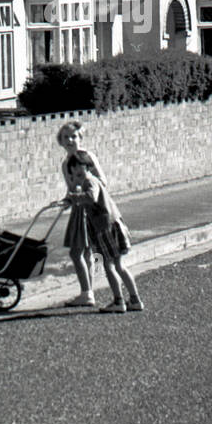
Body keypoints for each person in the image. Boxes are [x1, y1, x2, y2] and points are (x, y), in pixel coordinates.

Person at [57, 121, 143, 313]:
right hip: (87, 212)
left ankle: (109, 297)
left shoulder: (87, 159)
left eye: (74, 136)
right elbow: (71, 187)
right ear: (61, 142)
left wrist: (80, 191)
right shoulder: (66, 164)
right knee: (85, 254)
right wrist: (69, 198)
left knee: (103, 260)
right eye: (66, 137)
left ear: (80, 138)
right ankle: (98, 294)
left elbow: (99, 185)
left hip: (97, 214)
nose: (70, 140)